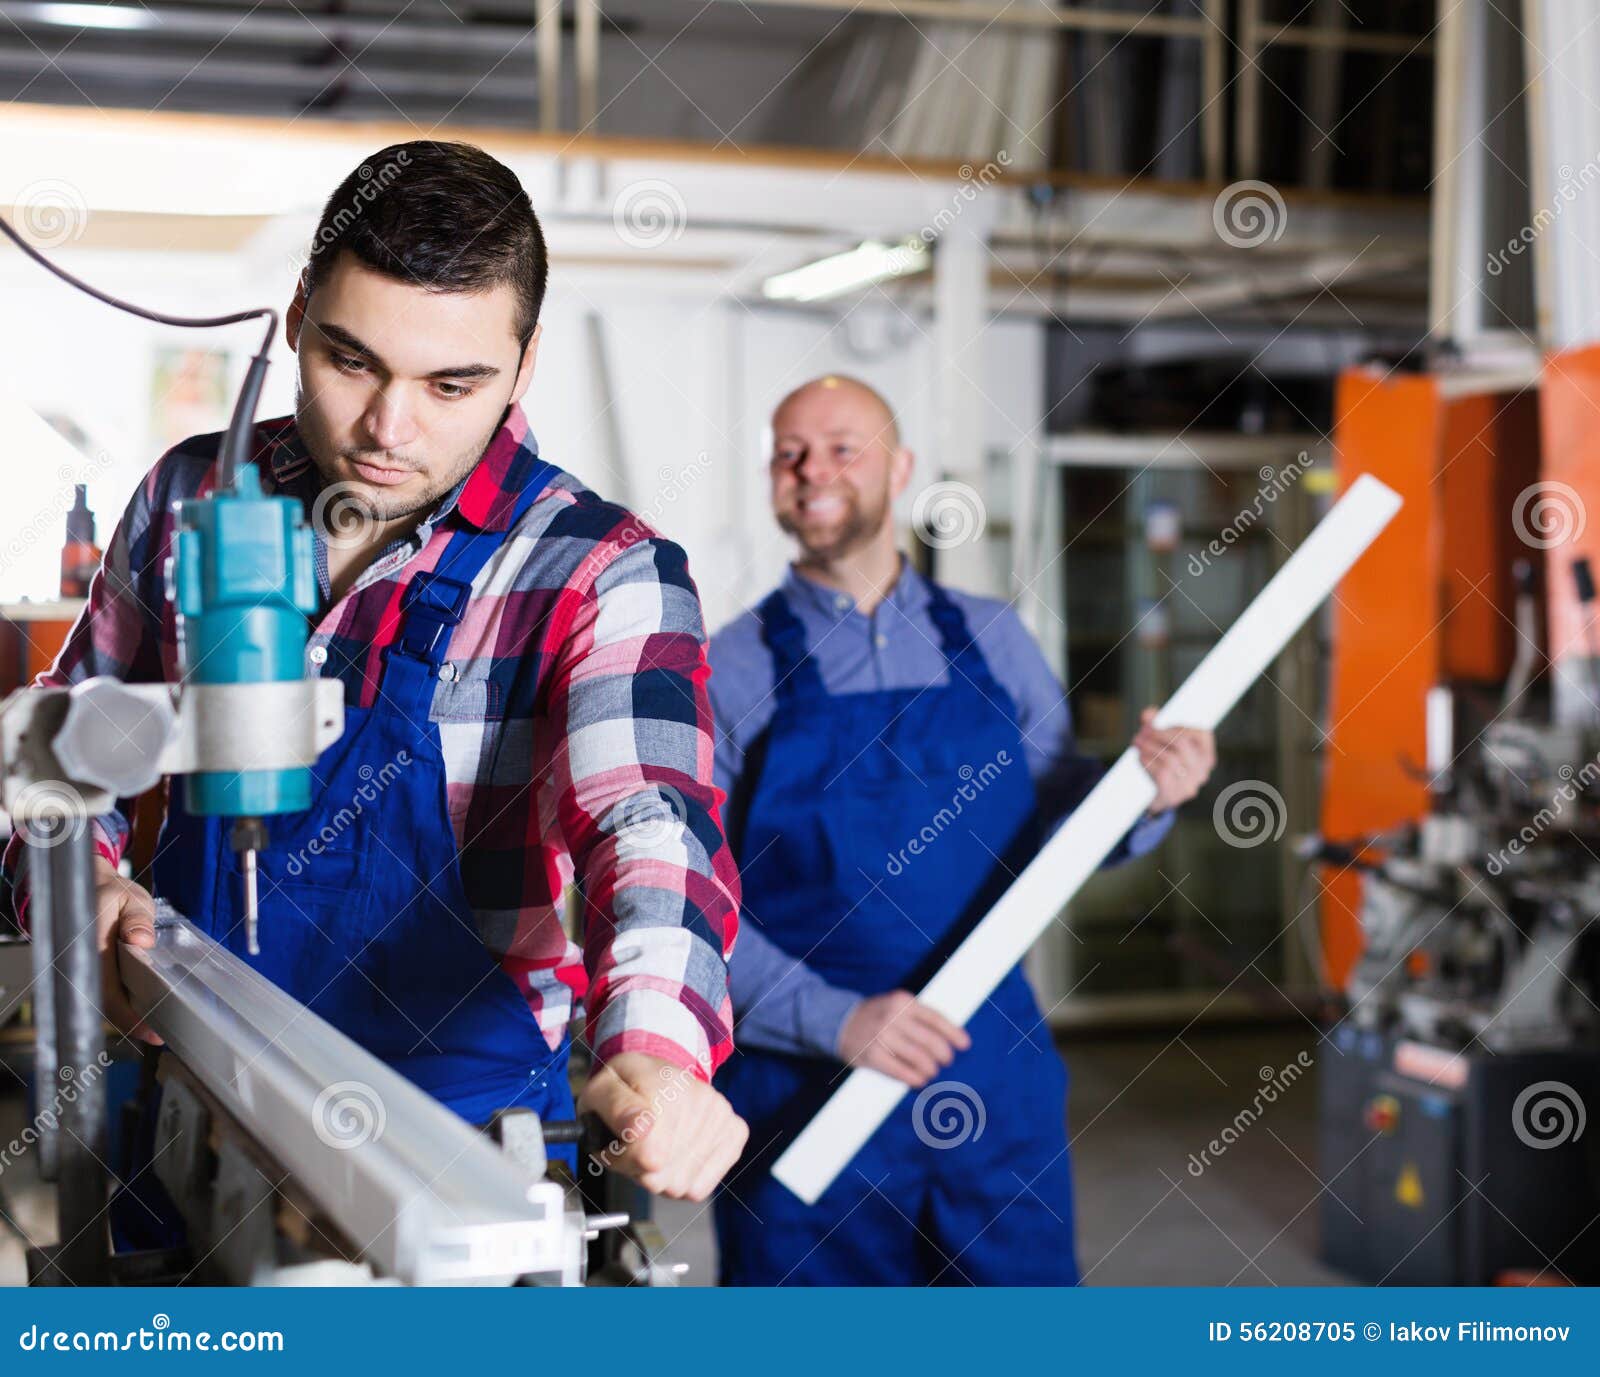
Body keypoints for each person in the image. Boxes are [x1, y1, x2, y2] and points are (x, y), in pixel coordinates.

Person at [3, 141, 747, 1208]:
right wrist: (81, 890)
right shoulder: (188, 501)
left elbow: (648, 823)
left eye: (452, 384)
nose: (387, 431)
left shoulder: (596, 571)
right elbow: (61, 762)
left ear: (524, 365)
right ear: (298, 314)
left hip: (462, 1142)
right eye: (351, 361)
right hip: (198, 1080)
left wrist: (660, 1055)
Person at [708, 375, 1216, 1285]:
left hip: (988, 1066)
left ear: (900, 468)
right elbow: (689, 904)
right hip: (805, 1084)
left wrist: (1143, 796)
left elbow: (1059, 824)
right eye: (789, 452)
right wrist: (834, 1019)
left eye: (841, 446)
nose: (812, 469)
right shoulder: (728, 667)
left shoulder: (992, 637)